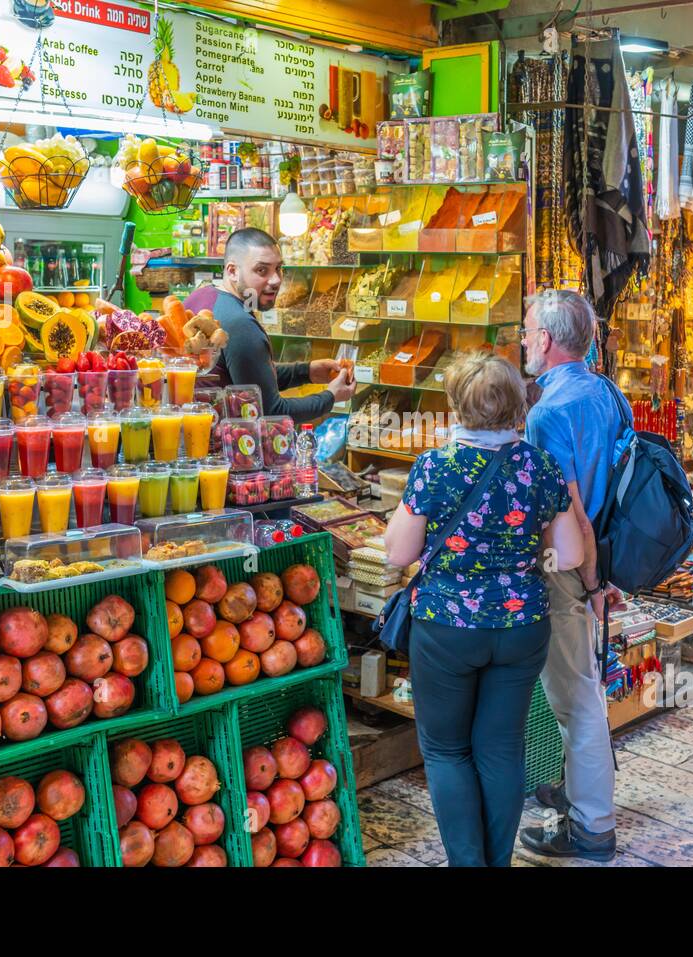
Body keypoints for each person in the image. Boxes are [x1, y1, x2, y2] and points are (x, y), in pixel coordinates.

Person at [383, 353, 584, 867]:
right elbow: (571, 556)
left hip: (447, 627)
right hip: (521, 627)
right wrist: (519, 558)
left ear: (455, 406)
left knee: (448, 751)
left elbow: (400, 554)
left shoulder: (436, 465)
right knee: (501, 748)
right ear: (519, 405)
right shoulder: (540, 465)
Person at [517, 289, 628, 862]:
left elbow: (572, 511)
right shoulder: (605, 392)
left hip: (568, 565)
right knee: (582, 684)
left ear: (548, 340)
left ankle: (591, 826)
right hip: (595, 557)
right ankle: (582, 793)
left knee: (576, 698)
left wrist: (587, 582)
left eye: (529, 330)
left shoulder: (547, 412)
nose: (523, 341)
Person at [210, 228, 354, 422]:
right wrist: (330, 397)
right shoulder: (241, 324)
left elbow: (250, 375)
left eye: (278, 268)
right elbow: (270, 412)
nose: (276, 280)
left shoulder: (204, 296)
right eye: (262, 270)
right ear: (233, 271)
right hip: (224, 447)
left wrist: (306, 372)